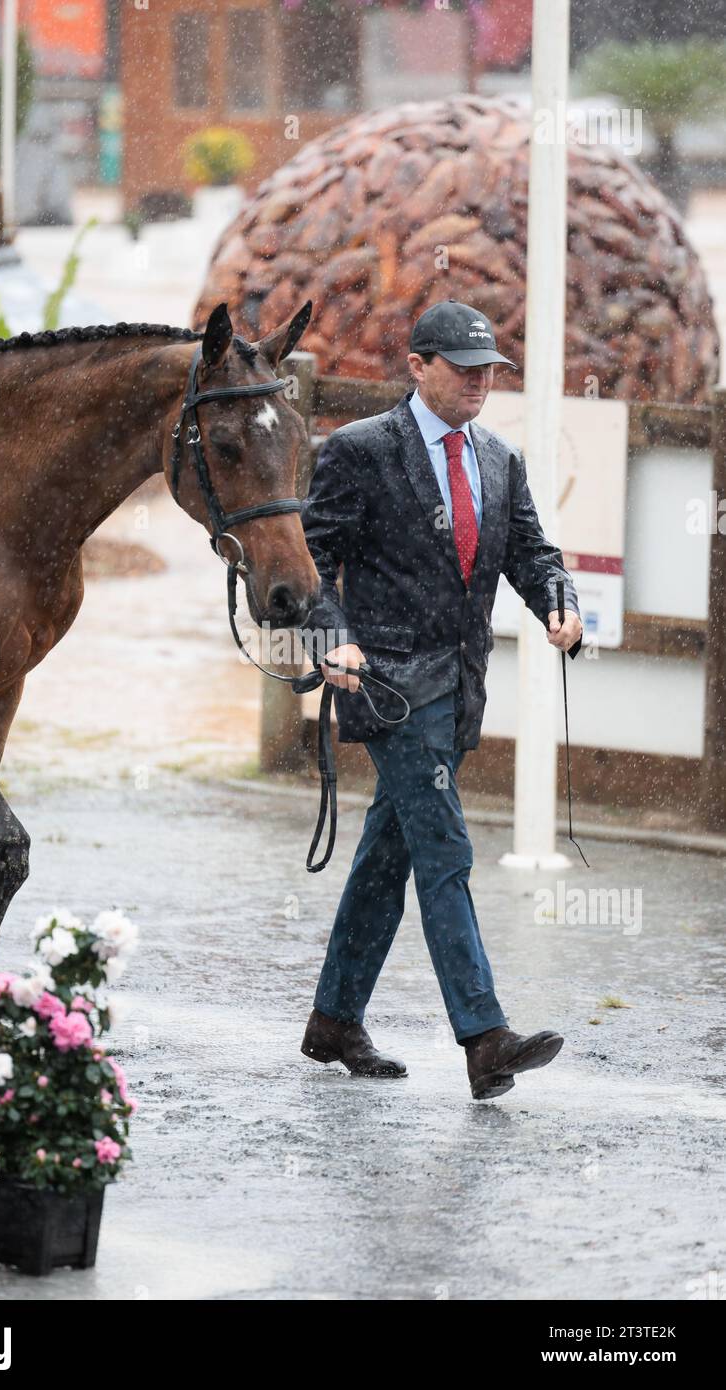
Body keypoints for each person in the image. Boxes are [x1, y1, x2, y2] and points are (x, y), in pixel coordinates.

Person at [299, 300, 583, 1100]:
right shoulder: (358, 452)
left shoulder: (499, 458)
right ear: (418, 366)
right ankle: (484, 1038)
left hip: (457, 690)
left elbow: (532, 551)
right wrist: (332, 638)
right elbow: (310, 562)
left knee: (388, 857)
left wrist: (557, 598)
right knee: (445, 852)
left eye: (490, 371)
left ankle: (333, 1021)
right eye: (464, 370)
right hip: (385, 686)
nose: (480, 385)